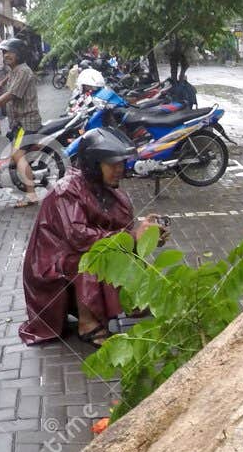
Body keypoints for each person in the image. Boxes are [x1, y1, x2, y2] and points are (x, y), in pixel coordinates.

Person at [19, 129, 157, 345]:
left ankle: (136, 301)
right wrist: (131, 237)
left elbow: (124, 229)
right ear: (94, 165)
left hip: (67, 255)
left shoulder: (108, 191)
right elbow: (79, 237)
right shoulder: (67, 190)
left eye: (121, 164)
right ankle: (87, 323)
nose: (119, 170)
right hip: (49, 263)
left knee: (116, 250)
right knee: (90, 259)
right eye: (112, 165)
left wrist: (149, 234)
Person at [0, 38, 41, 207]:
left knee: (18, 154)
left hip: (27, 122)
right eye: (4, 53)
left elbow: (11, 95)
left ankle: (32, 195)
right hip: (17, 123)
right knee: (11, 156)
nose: (6, 55)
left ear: (19, 53)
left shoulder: (23, 71)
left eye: (9, 52)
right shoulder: (14, 71)